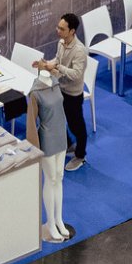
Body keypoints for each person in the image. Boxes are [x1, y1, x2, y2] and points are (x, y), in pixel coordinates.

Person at [33, 12, 89, 169]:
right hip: (60, 88)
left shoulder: (79, 51)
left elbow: (76, 75)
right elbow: (57, 60)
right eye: (58, 27)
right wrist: (45, 63)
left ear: (72, 31)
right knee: (56, 119)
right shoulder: (61, 43)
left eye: (62, 29)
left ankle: (80, 155)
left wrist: (57, 67)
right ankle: (69, 144)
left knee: (76, 125)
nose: (58, 31)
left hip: (73, 94)